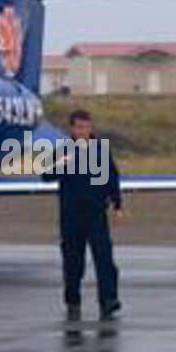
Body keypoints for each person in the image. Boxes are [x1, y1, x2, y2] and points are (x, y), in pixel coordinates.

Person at [43, 109, 124, 321]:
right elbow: (46, 176)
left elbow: (112, 178)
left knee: (104, 258)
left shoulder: (100, 150)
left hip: (96, 213)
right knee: (73, 260)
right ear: (72, 129)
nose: (83, 131)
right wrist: (59, 165)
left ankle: (108, 300)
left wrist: (117, 205)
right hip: (71, 215)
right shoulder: (63, 151)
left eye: (87, 127)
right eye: (79, 127)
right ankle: (72, 297)